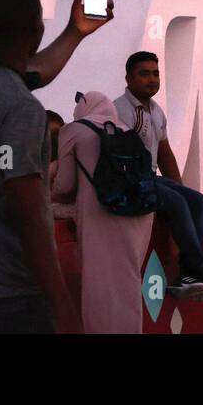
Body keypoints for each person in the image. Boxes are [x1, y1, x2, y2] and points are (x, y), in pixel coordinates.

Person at [0, 0, 113, 334]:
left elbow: (31, 71)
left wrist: (75, 32)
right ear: (38, 28)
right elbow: (26, 212)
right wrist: (62, 304)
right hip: (20, 293)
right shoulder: (21, 107)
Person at [113, 51, 203, 303]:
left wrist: (179, 190)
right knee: (179, 203)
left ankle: (189, 273)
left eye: (155, 73)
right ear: (128, 78)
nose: (152, 79)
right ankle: (200, 270)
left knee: (198, 202)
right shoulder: (120, 110)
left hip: (151, 178)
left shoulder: (156, 111)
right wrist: (175, 200)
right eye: (144, 74)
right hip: (128, 182)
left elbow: (166, 155)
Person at [52, 91, 153, 334]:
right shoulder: (126, 130)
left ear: (84, 107)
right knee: (128, 283)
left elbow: (64, 186)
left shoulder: (73, 130)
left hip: (102, 215)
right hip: (139, 213)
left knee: (99, 285)